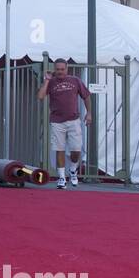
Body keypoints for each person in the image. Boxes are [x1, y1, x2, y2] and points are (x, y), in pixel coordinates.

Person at [38, 58, 91, 189]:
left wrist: (89, 113)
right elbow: (40, 96)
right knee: (59, 148)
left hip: (74, 120)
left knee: (76, 150)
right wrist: (47, 80)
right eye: (58, 69)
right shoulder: (51, 82)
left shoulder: (75, 80)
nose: (60, 72)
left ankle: (73, 170)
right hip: (57, 121)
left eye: (62, 69)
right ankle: (62, 177)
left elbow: (86, 96)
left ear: (67, 69)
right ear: (55, 69)